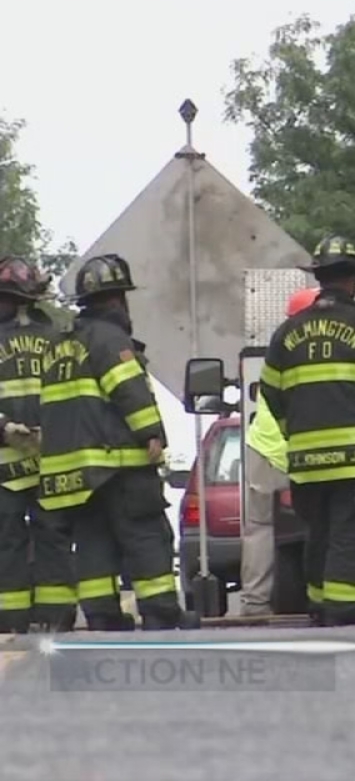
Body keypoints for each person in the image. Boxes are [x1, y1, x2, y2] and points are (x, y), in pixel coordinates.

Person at [260, 235, 355, 627]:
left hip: (308, 462)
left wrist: (291, 433)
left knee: (319, 532)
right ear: (353, 282)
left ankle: (319, 603)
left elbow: (271, 391)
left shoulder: (286, 334)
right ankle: (343, 606)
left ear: (320, 279)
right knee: (350, 532)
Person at [37, 254, 196, 631]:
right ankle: (160, 612)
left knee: (94, 542)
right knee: (146, 536)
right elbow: (129, 392)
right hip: (119, 464)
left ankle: (102, 615)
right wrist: (152, 434)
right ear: (115, 300)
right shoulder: (110, 339)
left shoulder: (60, 344)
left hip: (74, 473)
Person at [0, 257, 76, 633]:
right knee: (47, 537)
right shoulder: (56, 337)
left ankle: (14, 619)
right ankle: (51, 616)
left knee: (20, 539)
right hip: (44, 458)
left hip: (17, 462)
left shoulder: (55, 336)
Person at [238, 286, 318, 617]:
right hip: (296, 449)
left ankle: (255, 602)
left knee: (260, 529)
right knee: (321, 522)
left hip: (263, 448)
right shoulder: (314, 351)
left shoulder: (281, 348)